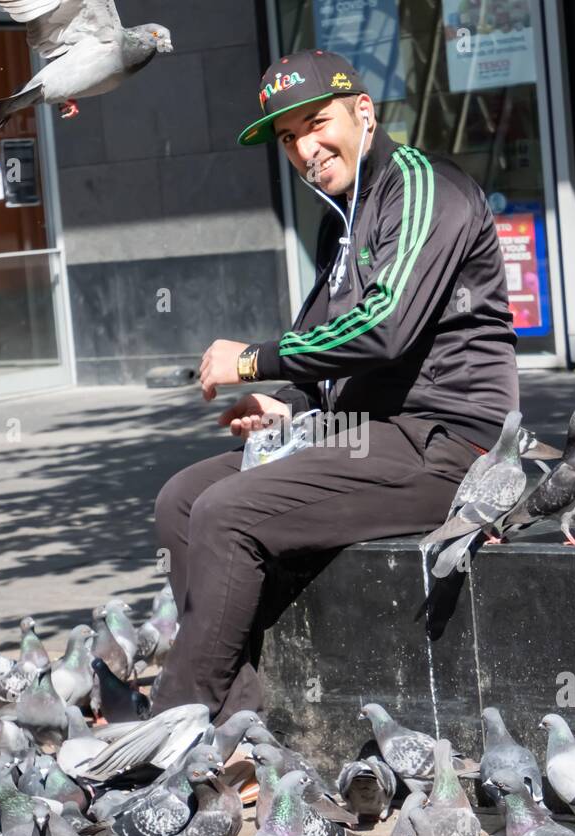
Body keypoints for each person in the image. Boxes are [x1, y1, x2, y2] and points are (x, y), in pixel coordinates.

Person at [149, 50, 518, 721]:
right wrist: (281, 401)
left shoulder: (425, 187)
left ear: (364, 113)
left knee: (227, 512)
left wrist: (255, 361)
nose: (305, 148)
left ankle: (173, 728)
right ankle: (235, 730)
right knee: (181, 499)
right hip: (362, 436)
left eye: (316, 123)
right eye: (288, 138)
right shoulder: (339, 220)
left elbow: (385, 330)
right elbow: (323, 347)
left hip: (448, 444)